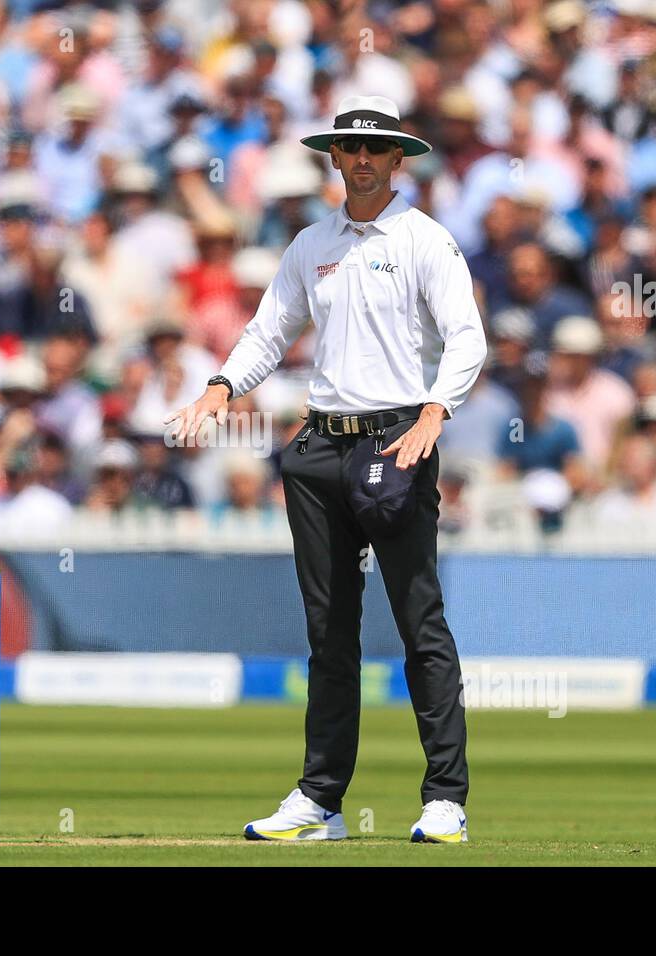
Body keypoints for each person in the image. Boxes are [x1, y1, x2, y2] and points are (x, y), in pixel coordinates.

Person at [168, 96, 487, 844]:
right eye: (351, 149)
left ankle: (445, 799)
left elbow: (465, 336)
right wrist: (220, 388)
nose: (364, 160)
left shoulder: (423, 239)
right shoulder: (312, 243)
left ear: (397, 159)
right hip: (319, 446)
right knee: (329, 629)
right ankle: (321, 802)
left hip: (396, 439)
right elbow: (268, 330)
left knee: (420, 621)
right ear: (336, 159)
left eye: (377, 149)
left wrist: (436, 412)